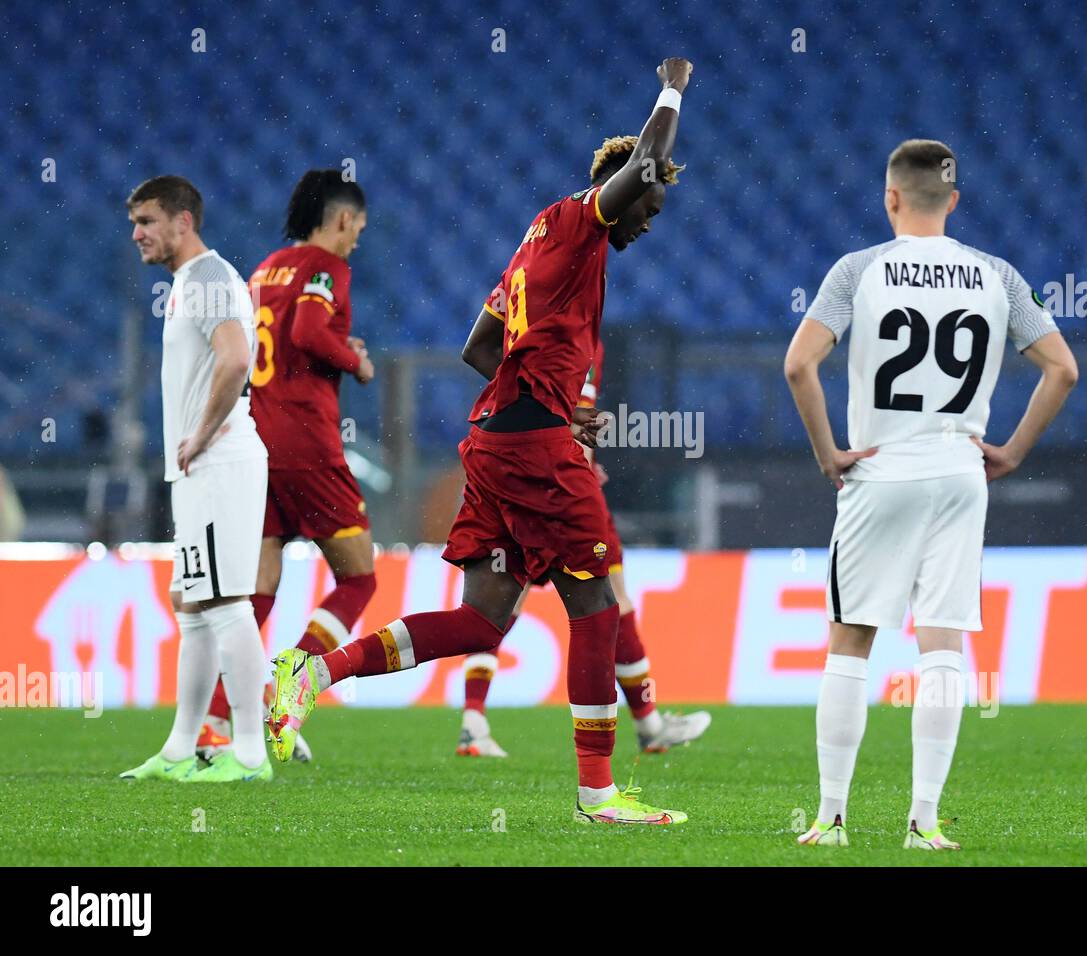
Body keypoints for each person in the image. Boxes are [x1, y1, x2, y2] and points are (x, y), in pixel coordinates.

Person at [269, 58, 695, 825]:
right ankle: (599, 794)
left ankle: (312, 673)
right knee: (596, 603)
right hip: (531, 451)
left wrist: (550, 402)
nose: (648, 219)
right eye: (649, 205)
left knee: (481, 622)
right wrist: (673, 86)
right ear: (623, 188)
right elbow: (645, 161)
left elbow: (478, 347)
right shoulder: (582, 219)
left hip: (501, 439)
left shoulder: (539, 241)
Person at [784, 140, 1078, 848]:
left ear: (891, 198)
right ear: (953, 200)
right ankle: (924, 822)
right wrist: (1009, 450)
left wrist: (830, 454)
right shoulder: (997, 275)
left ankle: (830, 819)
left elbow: (799, 364)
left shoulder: (858, 270)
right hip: (957, 471)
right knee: (942, 645)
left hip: (879, 470)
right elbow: (1062, 370)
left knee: (850, 642)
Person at [455, 339, 710, 758]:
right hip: (561, 488)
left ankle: (472, 718)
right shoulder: (576, 335)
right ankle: (648, 725)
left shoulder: (522, 322)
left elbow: (501, 382)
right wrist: (584, 472)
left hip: (506, 474)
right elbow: (575, 419)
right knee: (613, 599)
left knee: (500, 604)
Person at [196, 170, 375, 764]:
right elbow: (308, 329)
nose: (356, 243)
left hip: (257, 437)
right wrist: (356, 361)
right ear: (343, 219)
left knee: (259, 591)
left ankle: (215, 721)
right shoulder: (328, 269)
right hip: (306, 442)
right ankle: (291, 684)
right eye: (357, 230)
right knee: (359, 577)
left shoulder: (263, 269)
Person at [119, 175, 272, 783]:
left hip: (220, 461)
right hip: (199, 467)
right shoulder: (192, 282)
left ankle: (251, 754)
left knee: (226, 601)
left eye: (148, 221)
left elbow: (237, 358)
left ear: (184, 221)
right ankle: (182, 748)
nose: (137, 234)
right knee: (192, 602)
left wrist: (203, 434)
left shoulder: (207, 277)